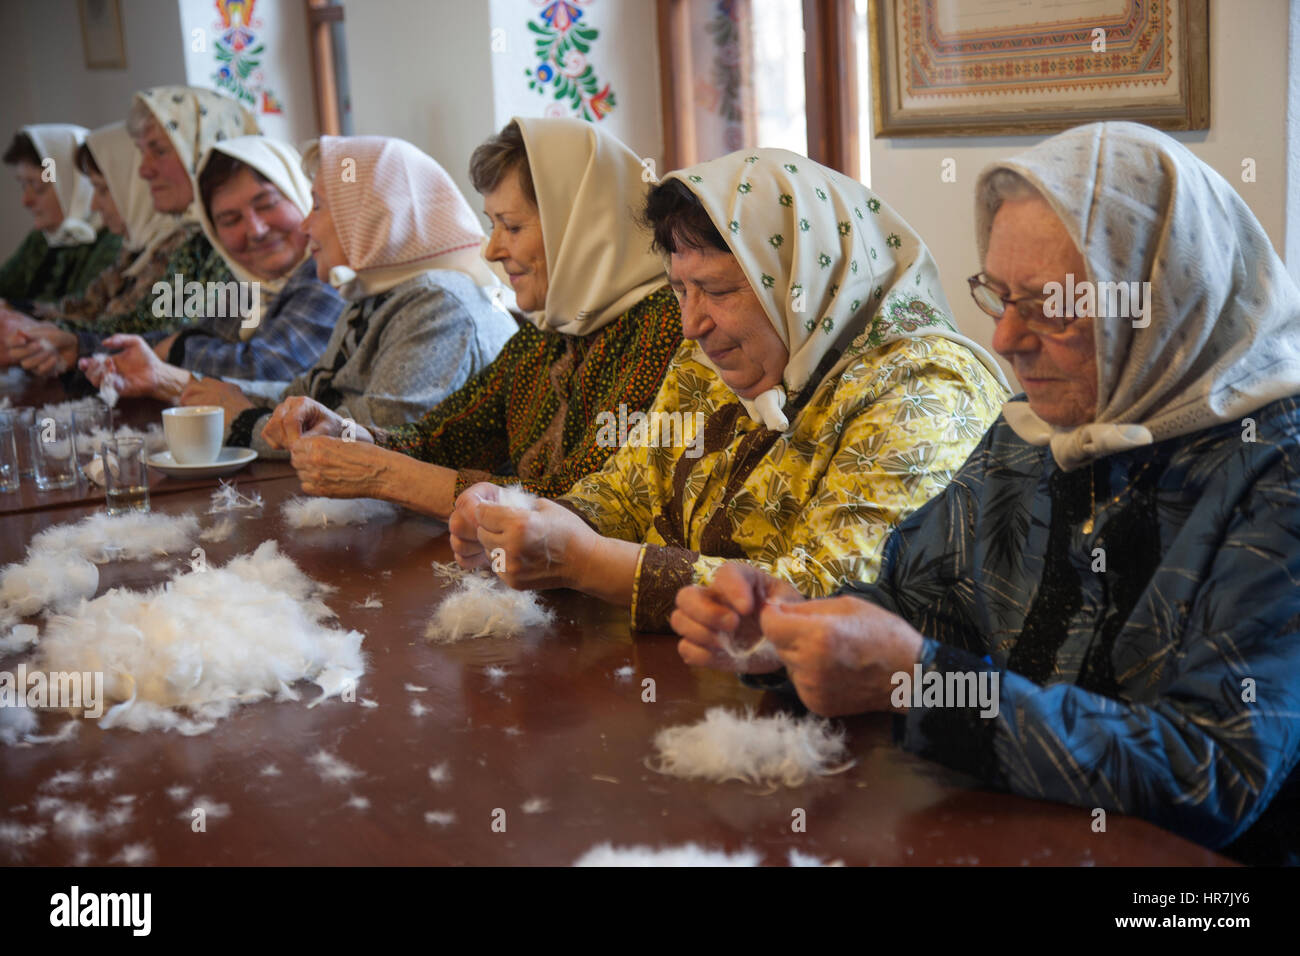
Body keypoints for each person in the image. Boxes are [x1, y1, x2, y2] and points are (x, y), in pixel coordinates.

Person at [671, 122, 1300, 864]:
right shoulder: (1033, 437)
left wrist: (921, 683)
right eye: (999, 296)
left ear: (1162, 301)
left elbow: (1210, 775)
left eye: (1050, 307)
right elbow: (913, 601)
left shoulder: (1273, 477)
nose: (1003, 338)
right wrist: (785, 630)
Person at [447, 148, 1009, 632]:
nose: (691, 323)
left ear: (799, 283)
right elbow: (627, 490)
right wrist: (526, 519)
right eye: (679, 290)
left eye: (715, 289)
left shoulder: (927, 387)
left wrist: (586, 562)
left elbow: (833, 600)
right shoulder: (713, 360)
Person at [260, 117, 683, 510]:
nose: (491, 250)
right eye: (491, 224)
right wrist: (347, 433)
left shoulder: (661, 327)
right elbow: (441, 441)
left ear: (582, 228)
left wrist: (383, 475)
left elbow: (576, 501)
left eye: (511, 227)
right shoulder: (548, 334)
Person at [178, 134, 518, 455]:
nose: (305, 225)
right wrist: (227, 395)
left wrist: (242, 422)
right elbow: (306, 395)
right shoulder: (374, 293)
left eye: (318, 206)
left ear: (369, 215)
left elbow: (376, 437)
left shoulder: (440, 305)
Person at [0, 86, 258, 376]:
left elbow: (169, 338)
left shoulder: (223, 244)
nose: (144, 170)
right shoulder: (191, 240)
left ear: (204, 149)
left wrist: (70, 344)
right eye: (142, 153)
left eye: (159, 151)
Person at [78, 136, 345, 401]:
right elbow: (203, 334)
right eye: (230, 220)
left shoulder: (328, 273)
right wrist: (83, 347)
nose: (256, 230)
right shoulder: (246, 281)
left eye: (267, 205)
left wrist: (177, 349)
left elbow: (269, 368)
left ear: (301, 195)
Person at [0, 124, 120, 306]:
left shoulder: (112, 239)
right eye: (23, 186)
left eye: (39, 187)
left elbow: (83, 313)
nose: (26, 200)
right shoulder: (41, 239)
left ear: (73, 185)